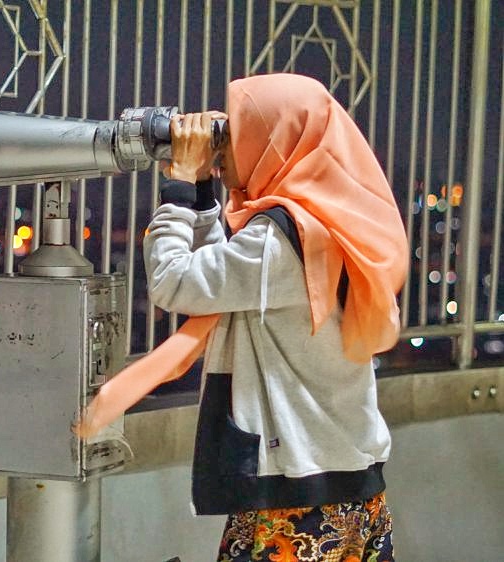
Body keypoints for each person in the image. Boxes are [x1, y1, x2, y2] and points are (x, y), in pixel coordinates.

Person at [74, 73, 407, 561]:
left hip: (297, 495)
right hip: (348, 484)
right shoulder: (326, 223)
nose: (226, 143)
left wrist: (179, 188)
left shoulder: (277, 241)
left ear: (276, 141)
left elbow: (177, 284)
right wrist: (207, 189)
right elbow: (225, 286)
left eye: (239, 131)